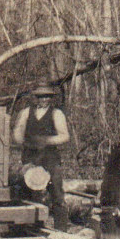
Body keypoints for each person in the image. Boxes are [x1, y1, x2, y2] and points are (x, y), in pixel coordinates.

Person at [11, 83, 71, 230]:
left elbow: (65, 136)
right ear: (35, 98)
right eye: (41, 97)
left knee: (56, 192)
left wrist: (47, 140)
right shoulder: (26, 113)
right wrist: (23, 140)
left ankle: (61, 229)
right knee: (28, 192)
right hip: (30, 157)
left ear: (51, 98)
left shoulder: (56, 114)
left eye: (47, 97)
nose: (44, 99)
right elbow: (17, 134)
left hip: (49, 158)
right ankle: (30, 227)